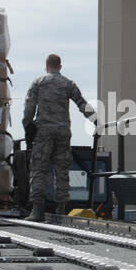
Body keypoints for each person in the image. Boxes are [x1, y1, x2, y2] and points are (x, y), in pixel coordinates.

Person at [22, 54, 97, 221]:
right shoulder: (68, 83)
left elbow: (29, 107)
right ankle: (61, 209)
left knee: (39, 169)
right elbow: (81, 103)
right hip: (63, 132)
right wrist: (96, 120)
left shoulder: (38, 82)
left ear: (46, 66)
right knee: (61, 170)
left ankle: (37, 211)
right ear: (60, 67)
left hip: (43, 132)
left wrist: (27, 125)